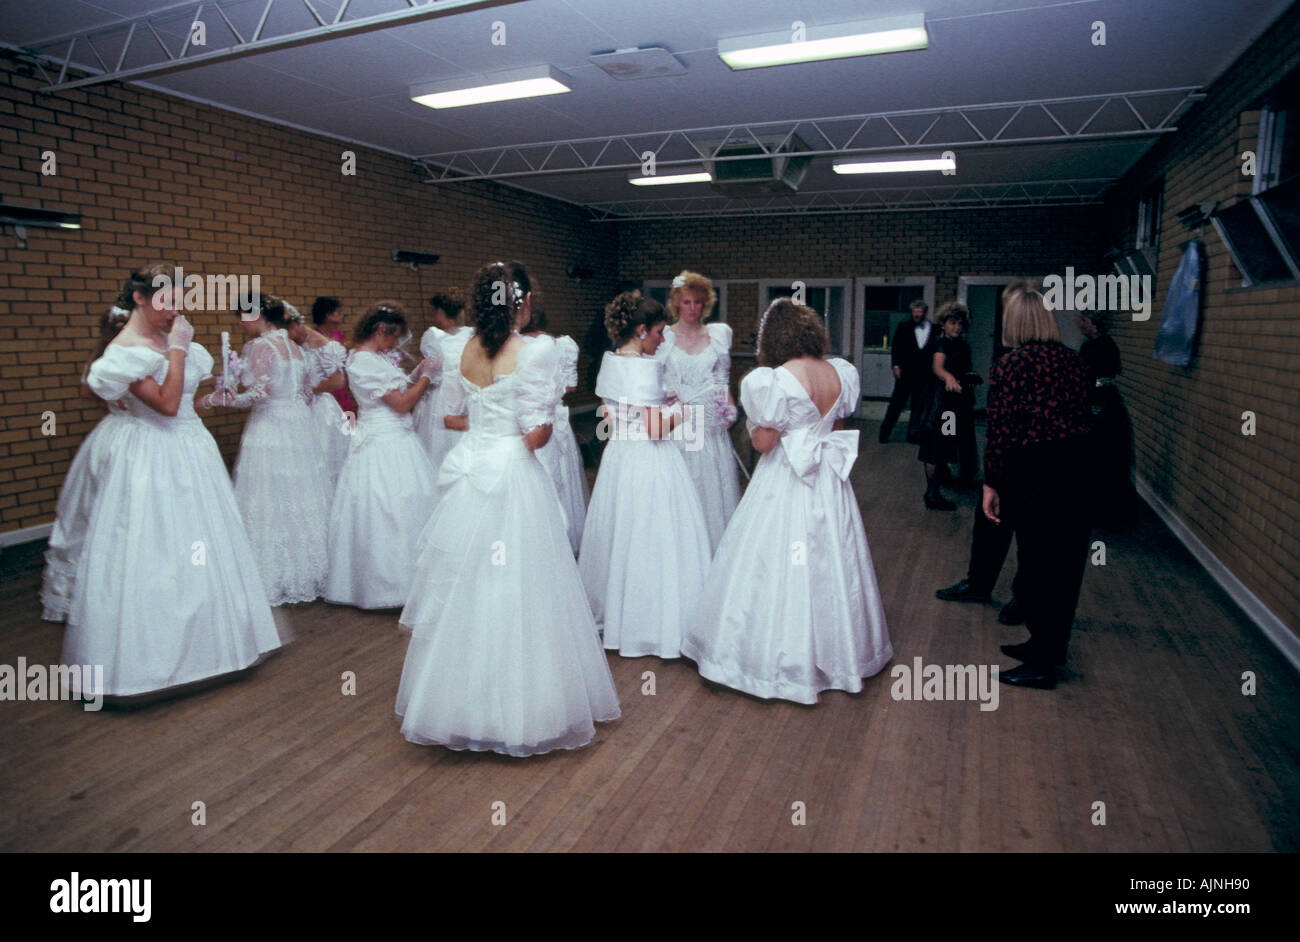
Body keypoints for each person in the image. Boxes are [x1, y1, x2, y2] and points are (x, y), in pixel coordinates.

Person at [396, 261, 619, 756]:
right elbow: (537, 433)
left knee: (465, 588)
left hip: (471, 471)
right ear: (523, 303)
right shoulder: (536, 352)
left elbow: (453, 416)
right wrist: (526, 429)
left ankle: (460, 705)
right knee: (524, 588)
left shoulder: (465, 349)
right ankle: (523, 711)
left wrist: (484, 426)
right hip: (514, 473)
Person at [63, 263, 281, 698]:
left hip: (190, 451)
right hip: (152, 455)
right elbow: (164, 404)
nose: (174, 311)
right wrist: (179, 350)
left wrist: (225, 382)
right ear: (140, 299)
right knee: (156, 548)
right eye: (166, 302)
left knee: (202, 545)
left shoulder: (169, 338)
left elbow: (185, 399)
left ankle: (214, 648)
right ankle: (152, 661)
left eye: (179, 301)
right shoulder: (127, 348)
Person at [682, 298, 893, 702]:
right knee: (833, 560)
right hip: (830, 483)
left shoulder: (772, 380)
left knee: (774, 563)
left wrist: (756, 426)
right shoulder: (840, 372)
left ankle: (778, 664)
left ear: (772, 339)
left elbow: (764, 443)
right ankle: (841, 654)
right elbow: (837, 426)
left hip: (785, 480)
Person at [579, 292, 711, 659]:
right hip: (650, 459)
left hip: (619, 457)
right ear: (640, 330)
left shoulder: (609, 361)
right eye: (657, 332)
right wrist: (683, 410)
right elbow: (655, 429)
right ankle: (652, 624)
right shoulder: (646, 368)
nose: (662, 339)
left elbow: (608, 414)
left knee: (622, 538)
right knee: (656, 539)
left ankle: (620, 620)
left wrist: (654, 405)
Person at [983, 284, 1094, 689]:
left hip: (1037, 471)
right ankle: (1046, 645)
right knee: (1062, 566)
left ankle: (1043, 663)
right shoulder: (1075, 362)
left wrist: (991, 482)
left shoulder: (1011, 365)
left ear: (1014, 322)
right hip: (1078, 468)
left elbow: (1001, 431)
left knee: (1039, 564)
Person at [204, 295, 331, 605]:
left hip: (272, 424)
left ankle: (272, 573)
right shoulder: (295, 347)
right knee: (300, 494)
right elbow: (307, 393)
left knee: (269, 494)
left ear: (256, 315)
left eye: (242, 317)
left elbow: (259, 394)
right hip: (298, 424)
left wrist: (225, 399)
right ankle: (311, 570)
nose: (240, 324)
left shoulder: (262, 346)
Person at [323, 302, 439, 609]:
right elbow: (401, 403)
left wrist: (417, 372)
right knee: (389, 511)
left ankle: (414, 581)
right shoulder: (362, 362)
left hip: (398, 439)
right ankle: (390, 587)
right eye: (393, 337)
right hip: (383, 443)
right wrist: (426, 379)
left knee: (407, 507)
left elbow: (399, 385)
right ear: (380, 330)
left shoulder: (377, 358)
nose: (395, 344)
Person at [40, 305, 132, 623]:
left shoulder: (100, 355)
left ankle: (85, 590)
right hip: (132, 436)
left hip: (108, 434)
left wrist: (111, 399)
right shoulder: (129, 353)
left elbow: (85, 392)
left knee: (92, 511)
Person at [655, 270, 741, 550]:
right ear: (677, 303)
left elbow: (721, 382)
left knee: (710, 488)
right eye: (687, 302)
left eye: (698, 303)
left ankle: (710, 547)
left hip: (708, 422)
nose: (693, 308)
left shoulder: (717, 335)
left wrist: (729, 409)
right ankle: (679, 548)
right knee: (679, 488)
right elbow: (654, 380)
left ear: (706, 304)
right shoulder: (663, 338)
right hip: (675, 423)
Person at [521, 282, 589, 555]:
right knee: (558, 478)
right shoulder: (561, 345)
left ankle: (535, 541)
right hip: (551, 417)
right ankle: (558, 539)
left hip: (528, 420)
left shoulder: (512, 346)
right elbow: (570, 387)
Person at [915, 303, 978, 510]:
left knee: (945, 444)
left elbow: (961, 369)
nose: (957, 327)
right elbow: (938, 368)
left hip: (953, 406)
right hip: (939, 406)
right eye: (953, 323)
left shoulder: (962, 345)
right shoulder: (940, 345)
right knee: (936, 447)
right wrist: (948, 376)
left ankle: (940, 481)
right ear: (943, 324)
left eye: (960, 324)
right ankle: (931, 494)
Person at [1078, 311, 1136, 531]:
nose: (1080, 325)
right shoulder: (1092, 345)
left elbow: (1096, 376)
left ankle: (1106, 512)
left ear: (1094, 324)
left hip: (1102, 404)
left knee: (1105, 456)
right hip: (1098, 402)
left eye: (1084, 320)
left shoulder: (1102, 347)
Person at [285, 303, 350, 496]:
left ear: (296, 324)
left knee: (324, 456)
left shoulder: (325, 345)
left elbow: (338, 381)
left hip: (321, 407)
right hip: (299, 408)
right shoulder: (294, 344)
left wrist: (310, 389)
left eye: (287, 330)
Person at [412, 289, 470, 472]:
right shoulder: (471, 334)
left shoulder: (433, 335)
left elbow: (433, 372)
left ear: (440, 313)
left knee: (435, 445)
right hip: (464, 393)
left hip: (440, 396)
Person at [878, 299, 933, 444]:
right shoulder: (903, 327)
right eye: (914, 311)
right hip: (905, 373)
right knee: (896, 404)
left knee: (918, 406)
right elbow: (896, 347)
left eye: (919, 311)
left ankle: (913, 435)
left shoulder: (935, 328)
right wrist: (895, 365)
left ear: (925, 312)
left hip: (924, 375)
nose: (916, 314)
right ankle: (884, 434)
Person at [312, 296, 355, 417]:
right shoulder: (315, 337)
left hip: (341, 386)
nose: (342, 315)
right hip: (324, 386)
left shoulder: (339, 335)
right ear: (328, 315)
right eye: (339, 312)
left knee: (347, 422)